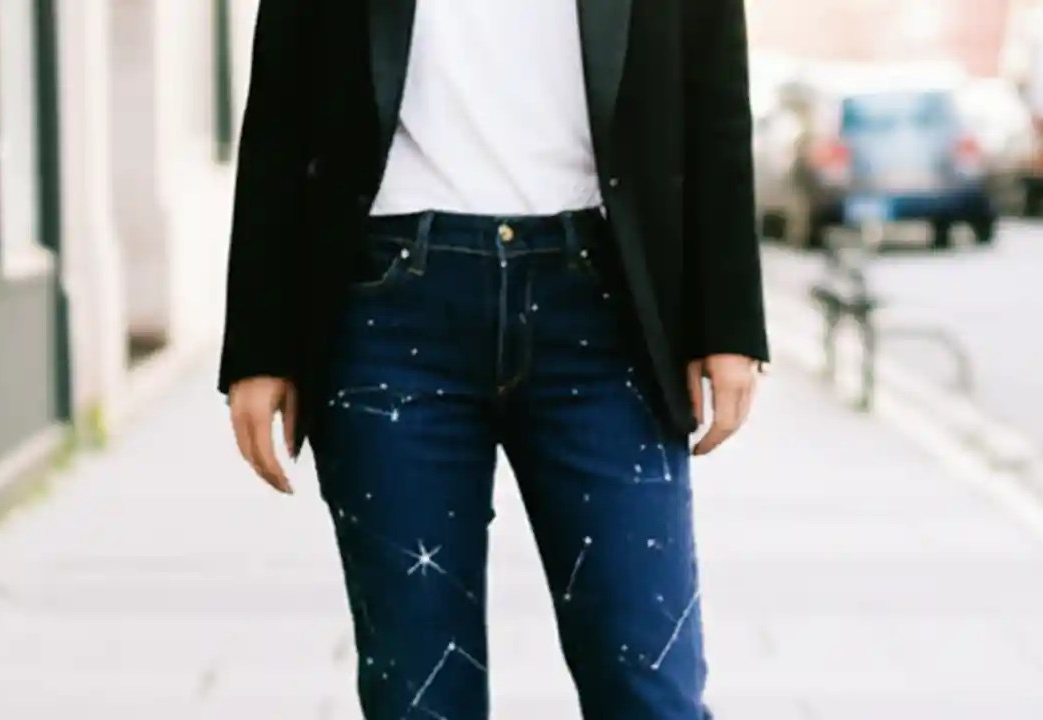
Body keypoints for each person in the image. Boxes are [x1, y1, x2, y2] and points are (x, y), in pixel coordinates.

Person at [219, 0, 769, 717]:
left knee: (649, 683)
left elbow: (715, 93)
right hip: (391, 308)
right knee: (418, 693)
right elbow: (281, 107)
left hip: (605, 309)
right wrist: (261, 343)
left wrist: (729, 321)